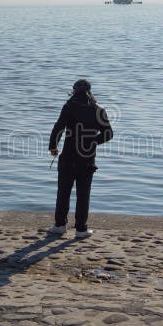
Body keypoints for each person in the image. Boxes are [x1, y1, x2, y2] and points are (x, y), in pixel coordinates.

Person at [48, 79, 114, 238]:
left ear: (74, 91)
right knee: (83, 194)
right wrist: (94, 142)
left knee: (63, 192)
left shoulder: (69, 106)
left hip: (68, 157)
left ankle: (59, 225)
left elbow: (59, 127)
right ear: (90, 92)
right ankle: (81, 229)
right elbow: (108, 134)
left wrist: (53, 147)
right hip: (87, 159)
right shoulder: (99, 110)